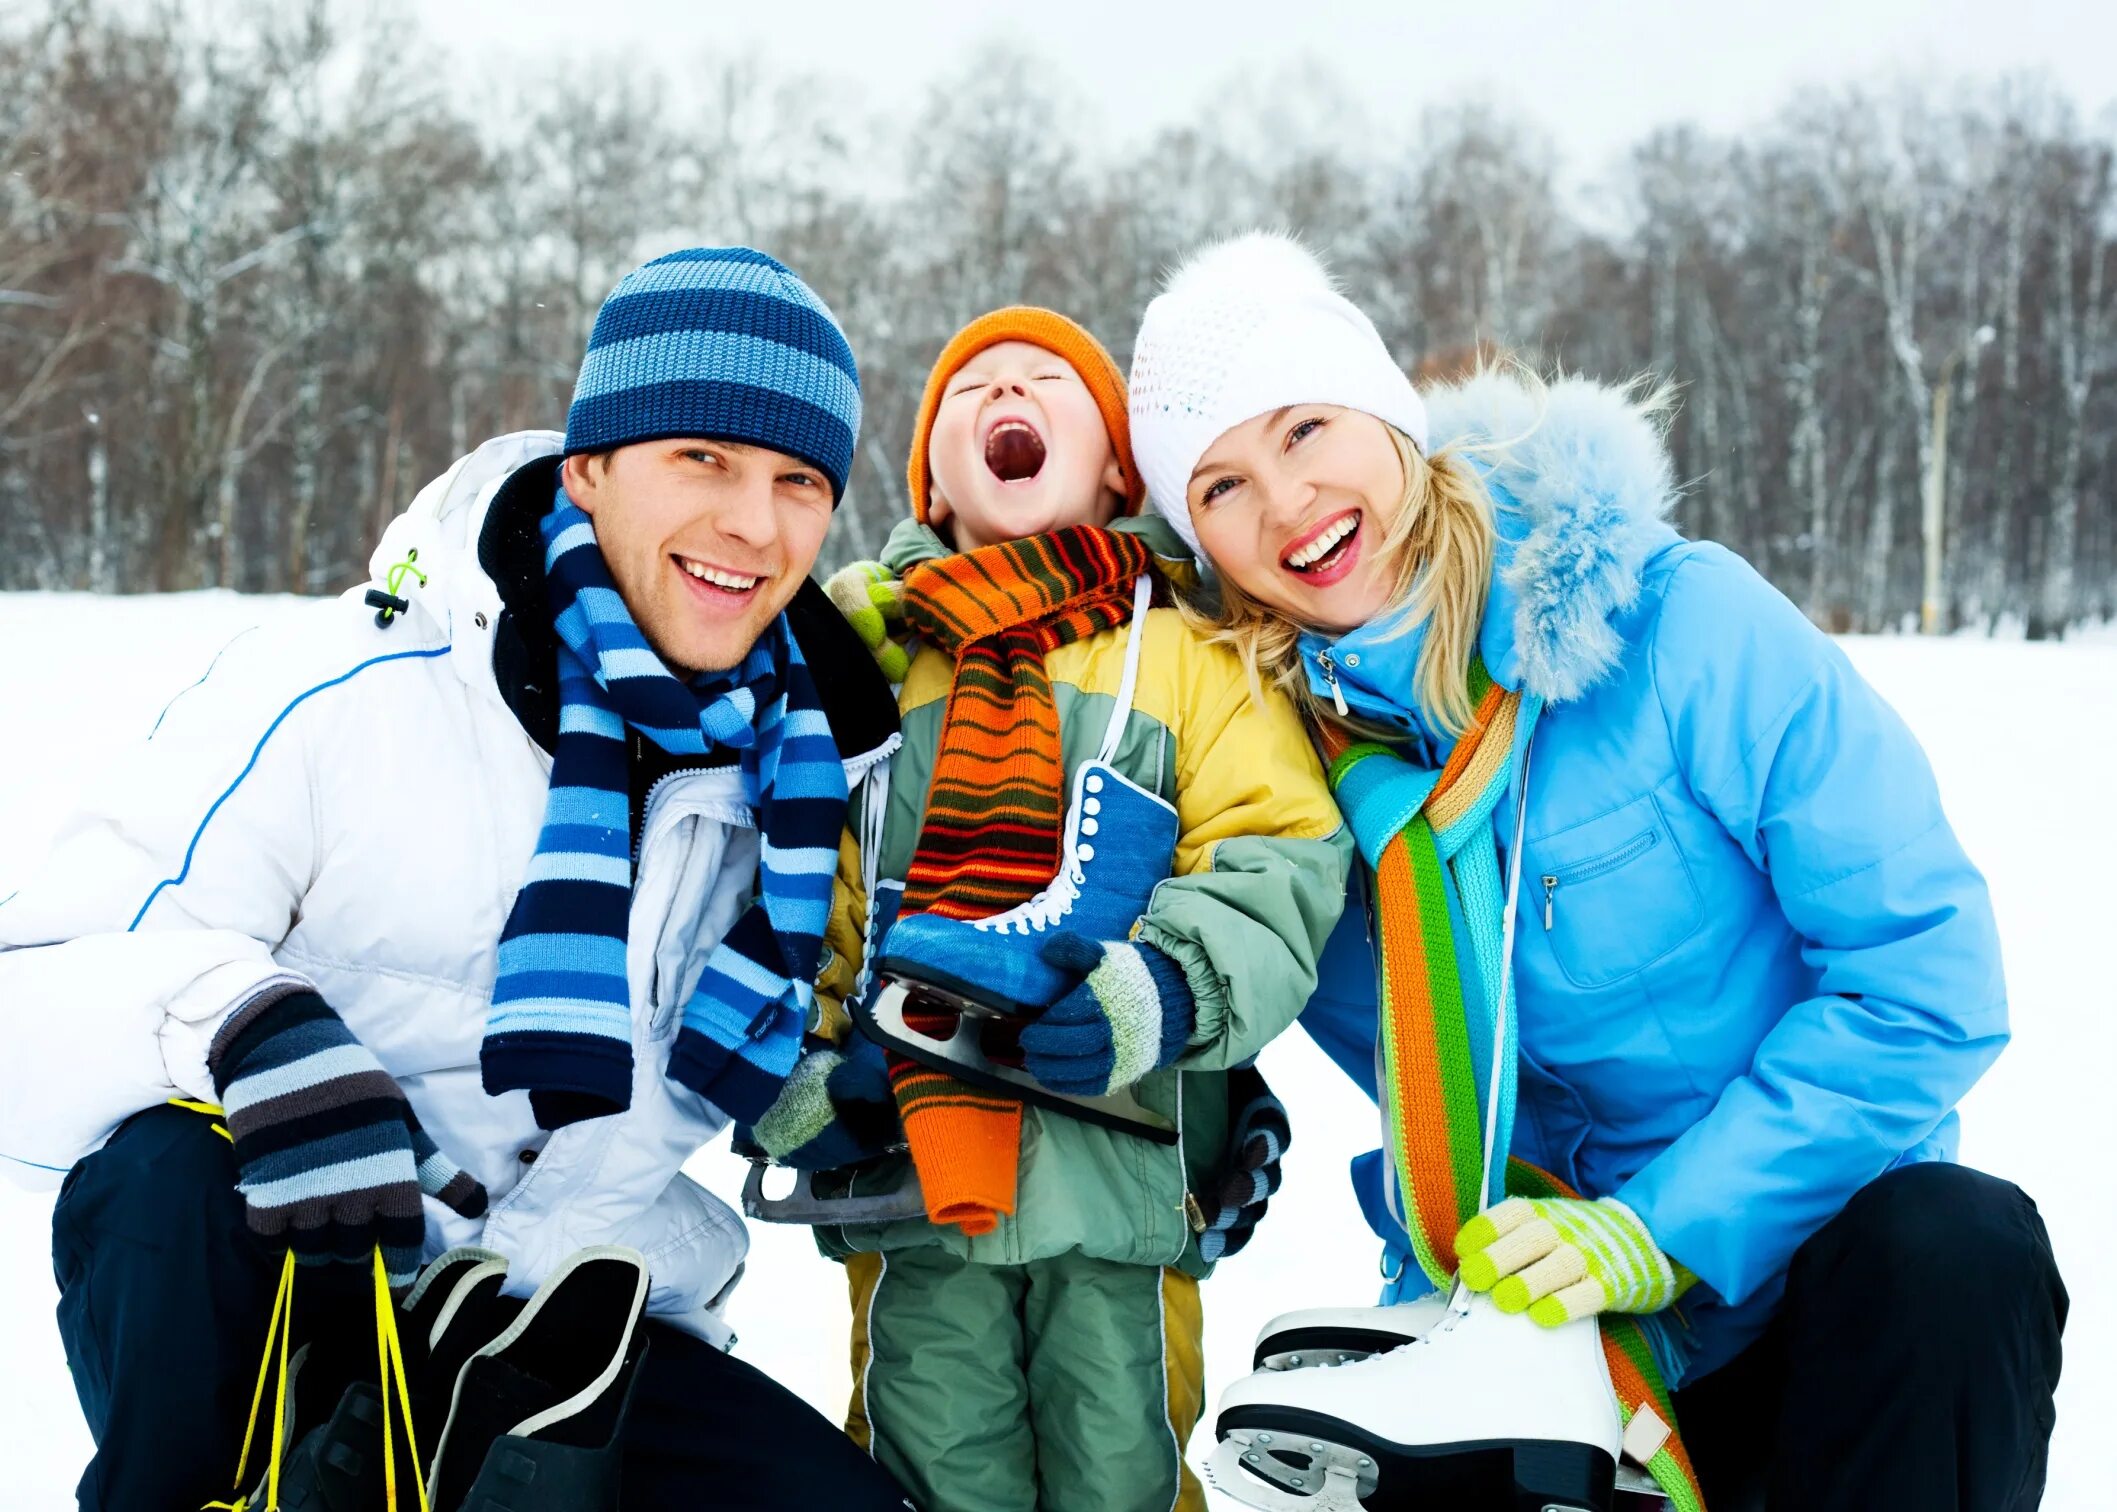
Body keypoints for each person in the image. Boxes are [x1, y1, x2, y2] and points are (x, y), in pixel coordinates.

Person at [1123, 232, 2066, 1511]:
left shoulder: (1677, 625)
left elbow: (1927, 980)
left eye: (1303, 430)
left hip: (1813, 1291)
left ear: (1387, 414)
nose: (1285, 504)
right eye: (1220, 485)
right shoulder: (1277, 775)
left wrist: (1653, 1233)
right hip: (1521, 1333)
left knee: (1957, 1245)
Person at [0, 246, 914, 1511]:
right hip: (309, 1278)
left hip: (567, 1315)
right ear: (589, 468)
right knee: (161, 1173)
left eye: (796, 481)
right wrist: (239, 1029)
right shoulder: (338, 693)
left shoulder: (804, 777)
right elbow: (37, 985)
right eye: (700, 459)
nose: (752, 525)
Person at [744, 306, 1350, 1512]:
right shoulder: (864, 674)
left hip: (1122, 1190)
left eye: (1041, 383)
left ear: (1116, 466)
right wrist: (806, 1075)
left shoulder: (1189, 657)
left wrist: (1162, 988)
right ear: (931, 478)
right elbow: (807, 893)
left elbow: (1275, 857)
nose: (1002, 395)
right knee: (925, 1470)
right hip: (911, 1189)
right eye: (970, 391)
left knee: (1120, 1468)